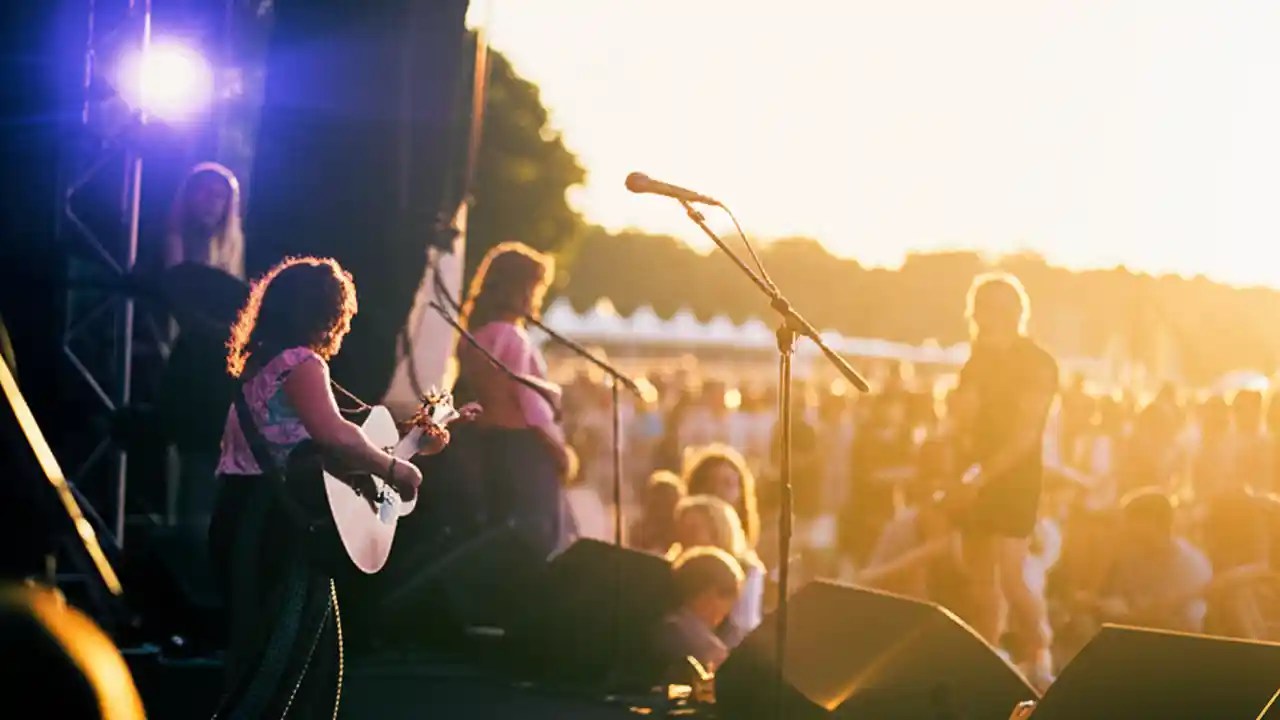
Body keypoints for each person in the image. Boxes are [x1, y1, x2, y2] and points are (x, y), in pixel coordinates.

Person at [209, 256, 448, 717]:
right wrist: (400, 471)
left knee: (301, 664)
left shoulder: (262, 365)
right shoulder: (302, 363)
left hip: (248, 517)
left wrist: (413, 444)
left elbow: (322, 452)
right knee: (275, 672)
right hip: (278, 527)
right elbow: (335, 436)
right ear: (329, 313)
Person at [950, 272, 1058, 689]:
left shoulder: (1037, 362)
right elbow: (962, 420)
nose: (985, 316)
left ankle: (1041, 651)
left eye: (994, 307)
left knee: (1011, 579)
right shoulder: (976, 361)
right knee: (980, 582)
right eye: (980, 308)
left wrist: (982, 475)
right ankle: (987, 659)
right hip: (975, 474)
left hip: (1015, 477)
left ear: (1014, 312)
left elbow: (1026, 436)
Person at [456, 242, 568, 558]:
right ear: (521, 289)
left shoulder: (474, 337)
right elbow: (532, 407)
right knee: (536, 544)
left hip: (491, 448)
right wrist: (559, 449)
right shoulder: (512, 337)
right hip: (525, 449)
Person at [1090, 489, 1213, 633]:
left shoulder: (1190, 565)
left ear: (1153, 522)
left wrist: (1127, 616)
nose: (1125, 528)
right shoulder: (1133, 558)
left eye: (1132, 521)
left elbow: (1186, 624)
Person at [667, 494, 765, 647]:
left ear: (718, 531)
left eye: (693, 530)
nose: (684, 537)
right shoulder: (672, 568)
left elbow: (745, 625)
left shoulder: (748, 571)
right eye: (681, 529)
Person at [653, 546, 744, 682]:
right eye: (729, 601)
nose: (727, 613)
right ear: (711, 594)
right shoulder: (688, 635)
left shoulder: (666, 626)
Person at [164, 162, 245, 279]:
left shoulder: (233, 246)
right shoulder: (158, 243)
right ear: (189, 195)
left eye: (219, 195)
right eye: (204, 191)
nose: (211, 201)